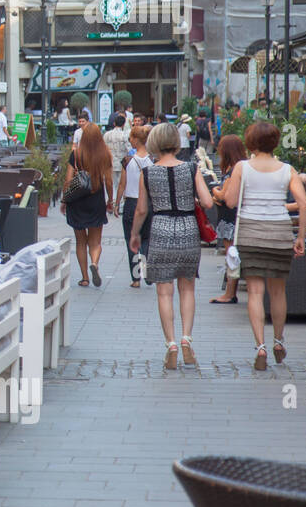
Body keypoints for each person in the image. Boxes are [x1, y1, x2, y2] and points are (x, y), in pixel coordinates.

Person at [219, 122, 306, 370]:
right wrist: (299, 236)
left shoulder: (242, 168)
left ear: (250, 142)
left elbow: (230, 200)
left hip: (250, 232)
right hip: (279, 233)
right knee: (278, 292)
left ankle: (260, 346)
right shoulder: (287, 170)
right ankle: (278, 341)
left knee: (256, 292)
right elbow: (303, 204)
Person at [128, 123, 214, 368]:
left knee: (164, 292)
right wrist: (194, 197)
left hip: (162, 228)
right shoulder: (191, 168)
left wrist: (135, 234)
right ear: (176, 142)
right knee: (187, 289)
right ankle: (187, 338)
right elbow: (207, 202)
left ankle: (171, 344)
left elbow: (142, 209)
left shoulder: (148, 172)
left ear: (154, 143)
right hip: (188, 228)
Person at [63, 122, 113, 287]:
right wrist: (110, 200)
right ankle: (95, 263)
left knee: (80, 242)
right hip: (95, 200)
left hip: (77, 201)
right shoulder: (105, 154)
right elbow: (109, 181)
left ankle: (85, 278)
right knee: (95, 242)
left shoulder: (76, 155)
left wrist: (64, 200)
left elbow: (68, 180)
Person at [209, 134, 248, 305]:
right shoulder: (239, 169)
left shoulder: (233, 171)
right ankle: (229, 292)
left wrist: (216, 192)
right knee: (232, 255)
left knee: (231, 255)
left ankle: (230, 293)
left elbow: (225, 195)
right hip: (229, 218)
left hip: (229, 220)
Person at [114, 125, 152, 288]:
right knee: (146, 238)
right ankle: (145, 265)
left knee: (131, 240)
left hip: (131, 203)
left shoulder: (127, 161)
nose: (129, 140)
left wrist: (116, 203)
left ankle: (136, 279)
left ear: (136, 140)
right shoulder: (154, 160)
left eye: (131, 137)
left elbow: (122, 184)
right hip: (149, 203)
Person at [103, 113, 130, 177]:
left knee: (111, 184)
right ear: (124, 124)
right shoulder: (125, 135)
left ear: (114, 123)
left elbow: (103, 149)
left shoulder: (107, 134)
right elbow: (129, 150)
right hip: (122, 164)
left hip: (110, 163)